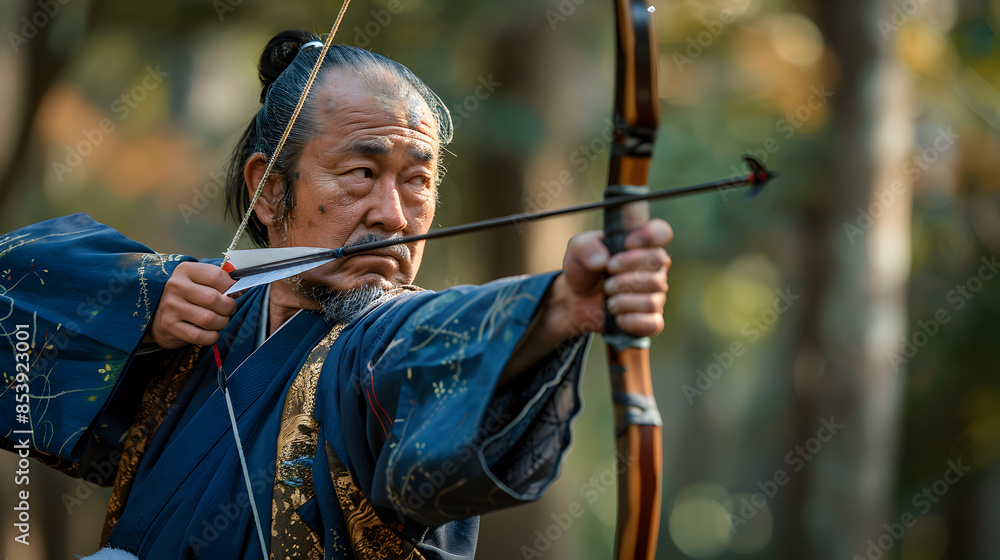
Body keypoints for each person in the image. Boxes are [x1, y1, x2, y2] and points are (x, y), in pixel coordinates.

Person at [0, 30, 671, 559]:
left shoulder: (381, 345)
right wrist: (141, 298)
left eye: (417, 181)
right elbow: (18, 286)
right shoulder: (193, 317)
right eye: (360, 172)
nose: (394, 215)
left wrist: (556, 309)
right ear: (267, 190)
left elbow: (426, 339)